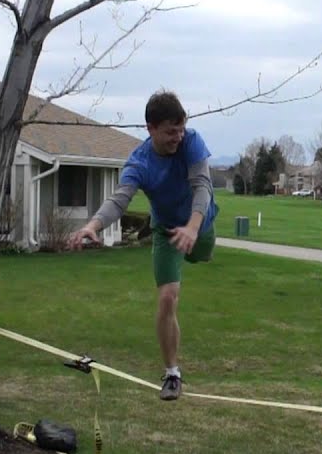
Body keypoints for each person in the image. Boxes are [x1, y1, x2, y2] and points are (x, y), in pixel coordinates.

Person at [72, 90, 218, 401]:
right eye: (169, 131)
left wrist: (193, 228)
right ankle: (172, 373)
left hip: (201, 227)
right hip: (166, 233)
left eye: (180, 129)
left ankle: (197, 251)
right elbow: (119, 200)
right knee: (168, 298)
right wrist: (92, 225)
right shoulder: (139, 163)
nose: (177, 137)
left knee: (201, 255)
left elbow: (203, 187)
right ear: (150, 128)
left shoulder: (192, 141)